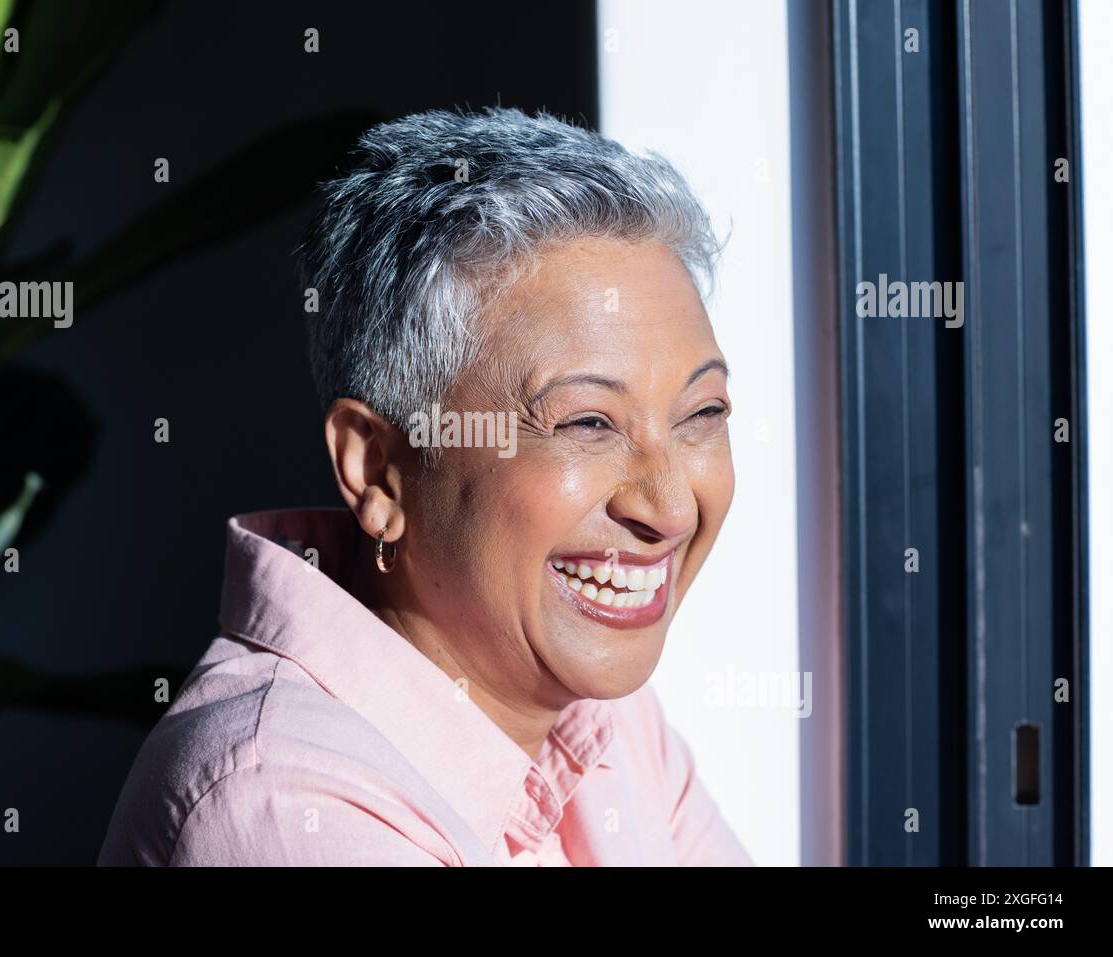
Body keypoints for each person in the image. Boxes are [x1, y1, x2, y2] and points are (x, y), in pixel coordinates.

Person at [99, 106, 751, 866]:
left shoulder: (613, 721)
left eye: (701, 412)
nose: (669, 508)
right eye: (587, 424)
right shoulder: (277, 804)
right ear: (378, 469)